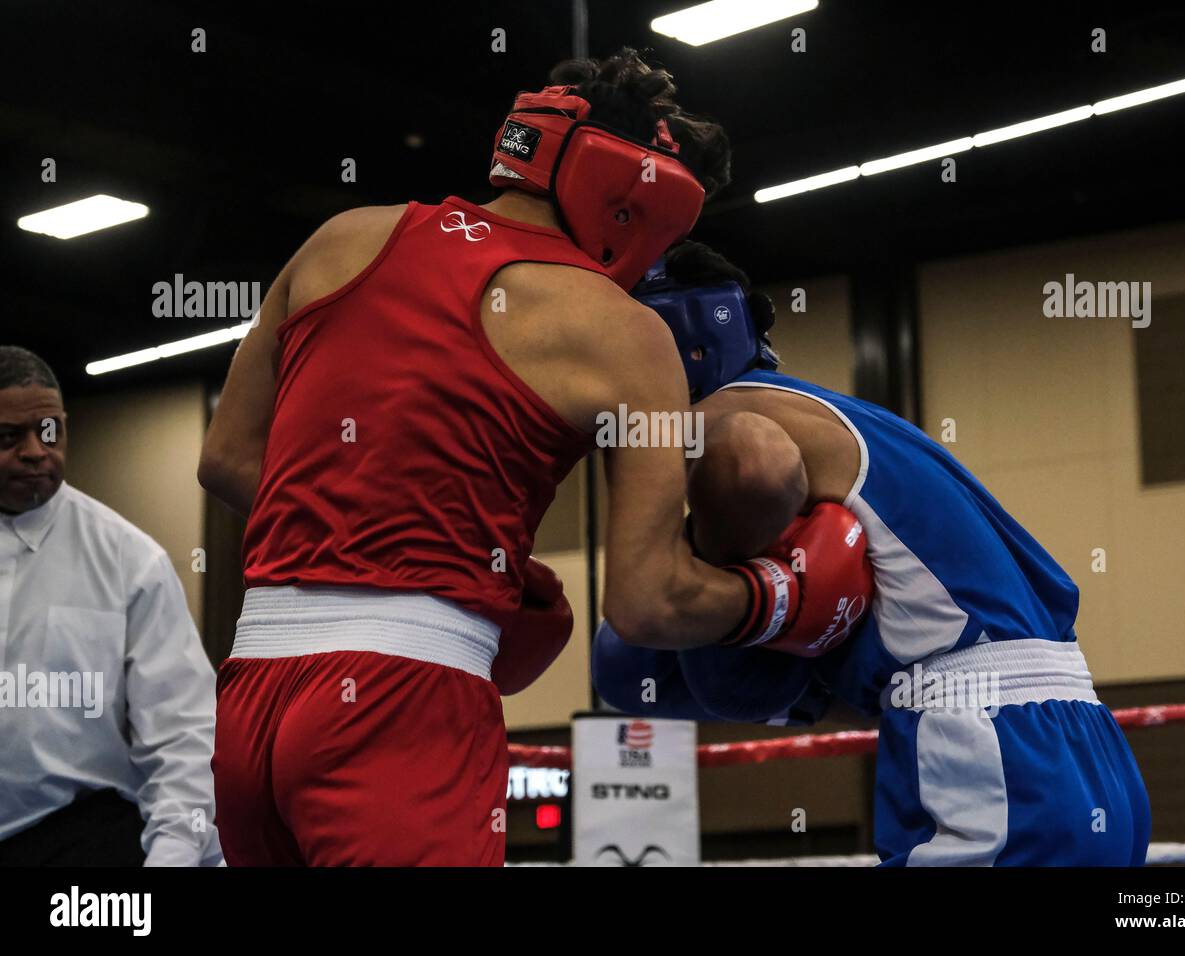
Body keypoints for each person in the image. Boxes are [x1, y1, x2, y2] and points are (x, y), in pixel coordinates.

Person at [200, 50, 873, 866]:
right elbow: (647, 601)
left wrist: (401, 540)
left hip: (248, 695)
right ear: (637, 193)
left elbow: (229, 459)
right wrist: (776, 596)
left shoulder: (338, 240)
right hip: (402, 700)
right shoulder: (623, 334)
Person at [593, 242, 1152, 866]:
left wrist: (753, 599)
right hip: (1084, 741)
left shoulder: (720, 413)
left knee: (626, 654)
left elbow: (745, 469)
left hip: (988, 750)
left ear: (667, 340)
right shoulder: (852, 417)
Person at [0, 346, 222, 867]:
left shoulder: (129, 559)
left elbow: (182, 730)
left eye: (50, 431)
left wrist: (173, 854)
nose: (37, 451)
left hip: (74, 838)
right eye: (9, 437)